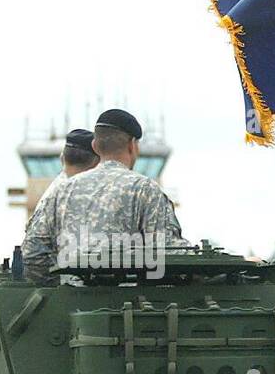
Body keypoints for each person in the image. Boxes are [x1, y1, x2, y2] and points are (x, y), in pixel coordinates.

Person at [21, 109, 183, 285]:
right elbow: (166, 249)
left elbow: (32, 253)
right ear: (132, 145)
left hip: (69, 305)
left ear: (95, 146)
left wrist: (59, 292)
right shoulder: (145, 190)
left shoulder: (60, 191)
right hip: (127, 306)